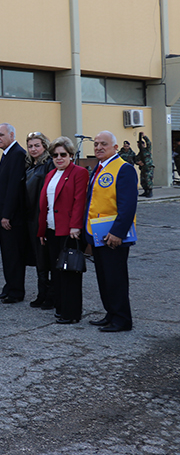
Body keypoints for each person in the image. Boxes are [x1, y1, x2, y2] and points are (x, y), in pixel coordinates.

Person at [86, 131, 138, 332]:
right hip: (98, 234)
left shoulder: (123, 169)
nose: (98, 147)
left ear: (115, 148)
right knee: (104, 277)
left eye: (104, 144)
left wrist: (118, 232)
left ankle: (122, 319)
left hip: (113, 235)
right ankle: (111, 313)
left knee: (116, 279)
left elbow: (127, 206)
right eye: (96, 143)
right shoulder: (99, 168)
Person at [38, 137, 89, 324]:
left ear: (71, 155)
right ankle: (60, 308)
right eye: (55, 155)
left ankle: (72, 313)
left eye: (63, 155)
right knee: (56, 271)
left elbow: (79, 201)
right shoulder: (51, 174)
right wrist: (42, 230)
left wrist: (75, 225)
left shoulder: (79, 172)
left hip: (69, 230)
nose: (59, 158)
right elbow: (46, 205)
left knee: (70, 273)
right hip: (51, 229)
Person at [0, 123, 29, 303]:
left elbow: (14, 188)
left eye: (1, 135)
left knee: (14, 255)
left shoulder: (17, 154)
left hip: (11, 218)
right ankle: (9, 286)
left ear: (12, 135)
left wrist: (6, 214)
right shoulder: (8, 154)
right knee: (7, 254)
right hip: (3, 215)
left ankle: (16, 291)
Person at [24, 132, 55, 309]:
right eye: (30, 146)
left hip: (42, 216)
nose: (33, 149)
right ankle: (41, 293)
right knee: (38, 259)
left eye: (37, 145)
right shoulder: (29, 164)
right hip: (30, 218)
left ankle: (50, 295)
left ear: (44, 146)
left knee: (47, 258)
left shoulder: (48, 164)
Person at [136, 131, 154, 198]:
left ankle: (150, 192)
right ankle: (146, 191)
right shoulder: (139, 153)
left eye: (140, 144)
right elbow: (135, 159)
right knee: (143, 180)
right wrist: (138, 162)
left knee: (148, 179)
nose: (138, 146)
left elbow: (149, 143)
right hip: (143, 168)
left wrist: (144, 136)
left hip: (149, 167)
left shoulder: (147, 150)